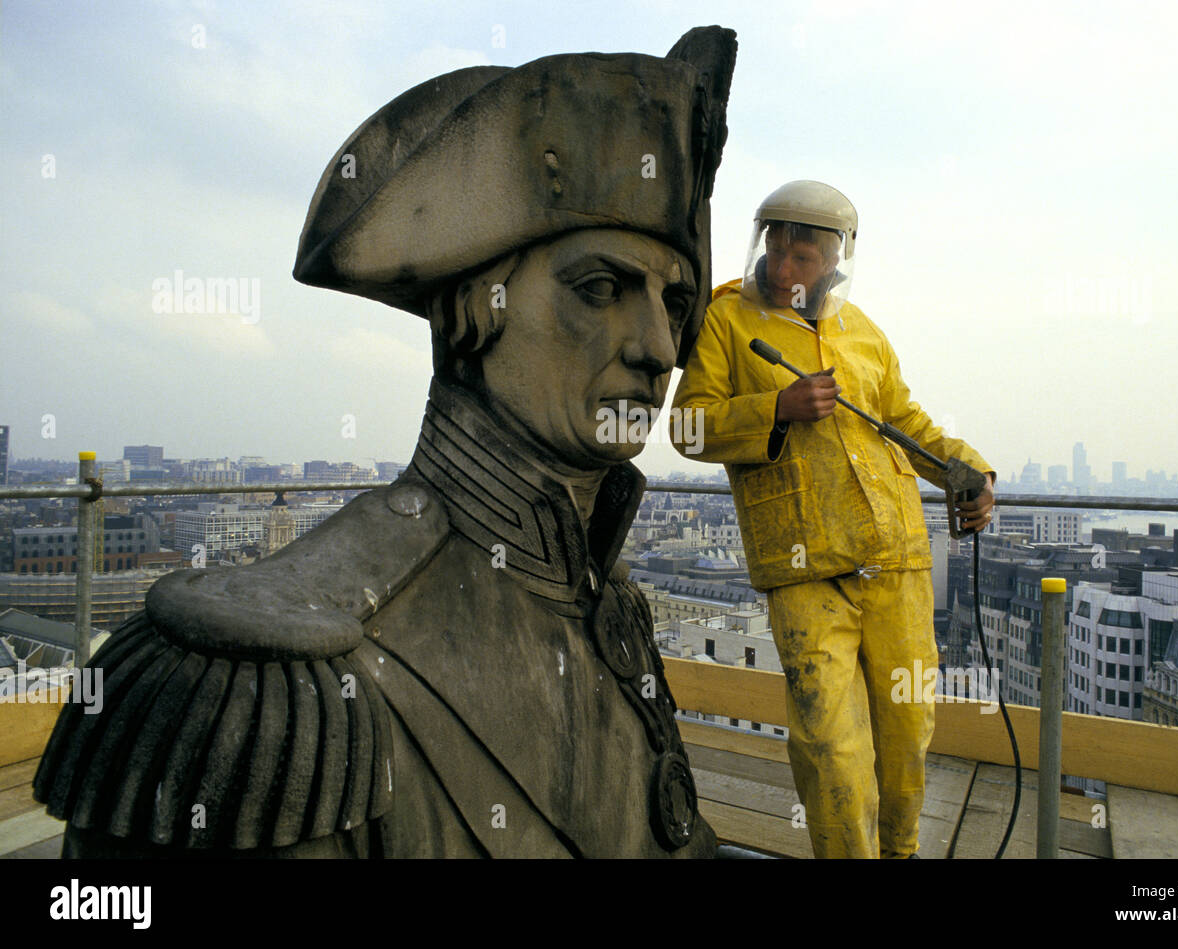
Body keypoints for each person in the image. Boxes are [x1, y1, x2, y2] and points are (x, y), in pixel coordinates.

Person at [34, 27, 737, 858]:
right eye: (600, 287)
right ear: (475, 310)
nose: (660, 346)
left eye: (674, 300)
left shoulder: (611, 604)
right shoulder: (270, 678)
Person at [671, 180, 996, 858]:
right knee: (831, 748)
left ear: (835, 261)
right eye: (778, 250)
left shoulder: (865, 333)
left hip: (898, 561)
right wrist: (775, 408)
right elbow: (687, 426)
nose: (785, 268)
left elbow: (903, 423)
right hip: (805, 569)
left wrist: (969, 470)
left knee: (907, 740)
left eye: (804, 256)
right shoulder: (727, 322)